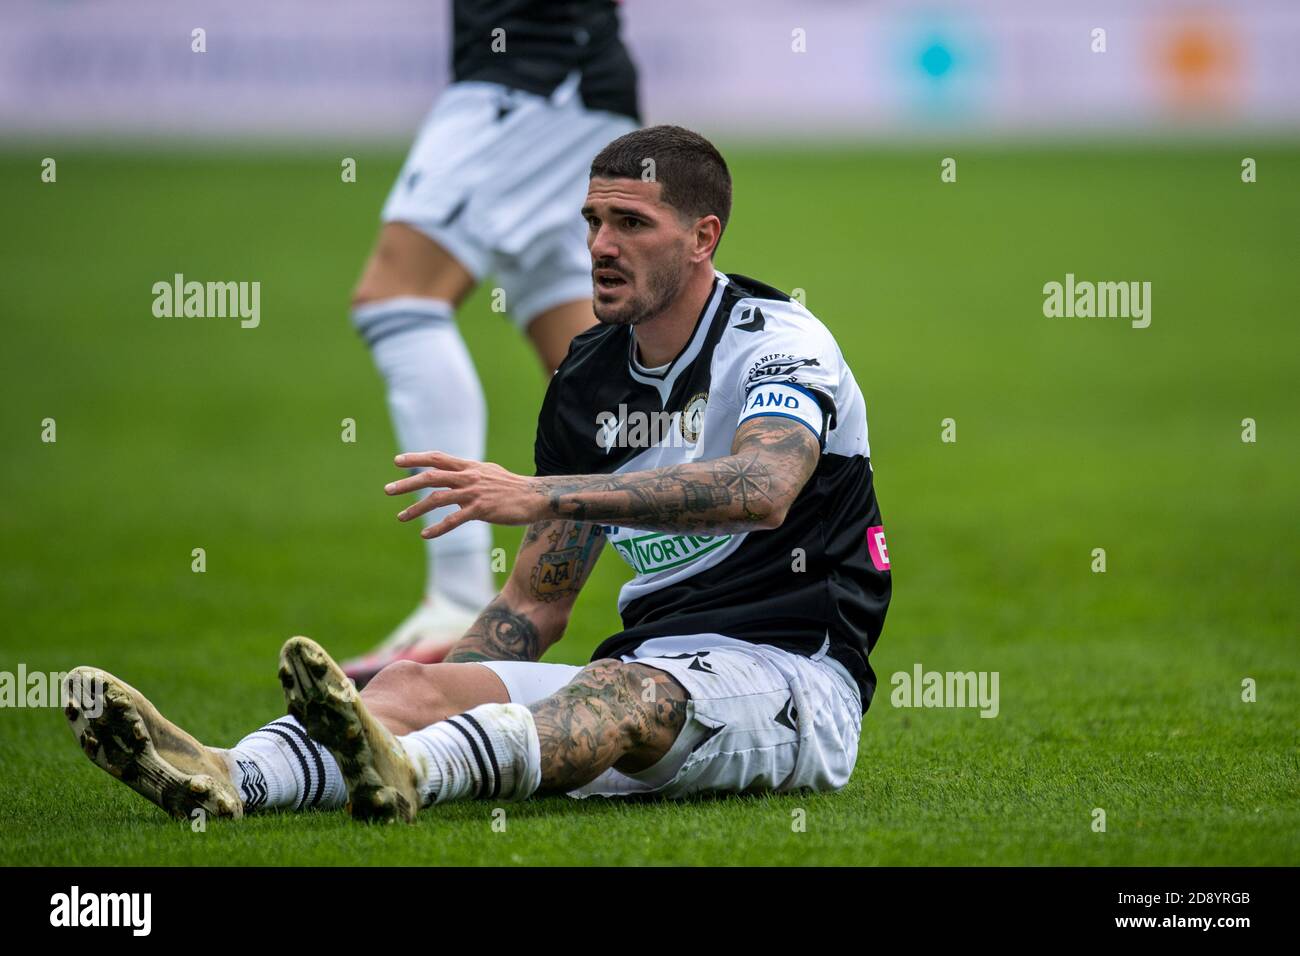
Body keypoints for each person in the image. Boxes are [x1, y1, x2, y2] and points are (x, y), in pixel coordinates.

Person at [64, 126, 891, 821]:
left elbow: (763, 489)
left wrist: (539, 493)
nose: (601, 246)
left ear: (703, 237)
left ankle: (418, 773)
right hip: (647, 670)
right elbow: (536, 601)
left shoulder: (779, 340)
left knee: (613, 695)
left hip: (793, 678)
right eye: (593, 221)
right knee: (409, 686)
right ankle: (226, 774)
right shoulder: (587, 379)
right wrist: (447, 684)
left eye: (631, 224)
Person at [342, 0, 641, 685]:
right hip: (573, 80)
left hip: (534, 76)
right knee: (598, 372)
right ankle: (721, 577)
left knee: (398, 297)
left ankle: (458, 598)